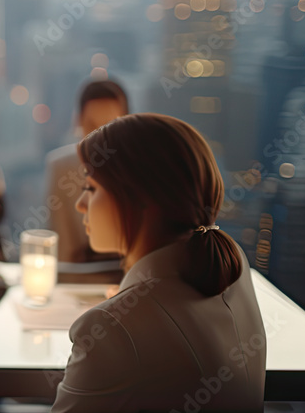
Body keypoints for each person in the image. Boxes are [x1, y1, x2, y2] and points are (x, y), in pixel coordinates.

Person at [51, 113, 265, 412]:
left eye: (91, 188)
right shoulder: (232, 265)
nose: (80, 204)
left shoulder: (110, 330)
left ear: (141, 199)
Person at [44, 79, 128, 283]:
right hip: (78, 281)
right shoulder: (62, 168)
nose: (99, 138)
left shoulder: (139, 168)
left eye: (109, 126)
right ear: (78, 122)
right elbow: (63, 252)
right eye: (92, 126)